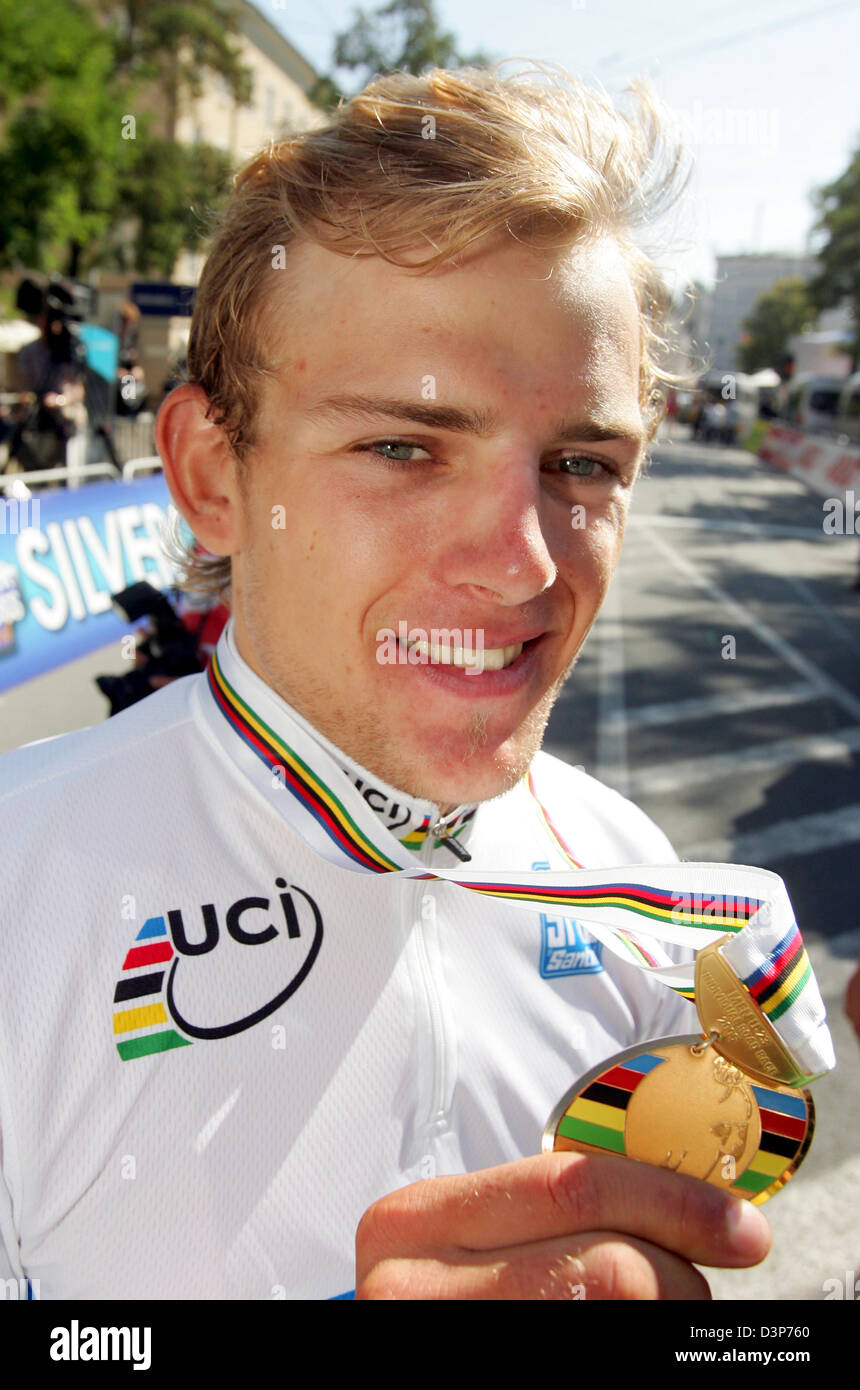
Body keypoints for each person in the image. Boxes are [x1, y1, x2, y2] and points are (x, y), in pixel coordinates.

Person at [0, 64, 776, 1300]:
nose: (522, 562)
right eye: (403, 446)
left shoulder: (645, 878)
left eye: (581, 462)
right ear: (210, 476)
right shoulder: (15, 888)